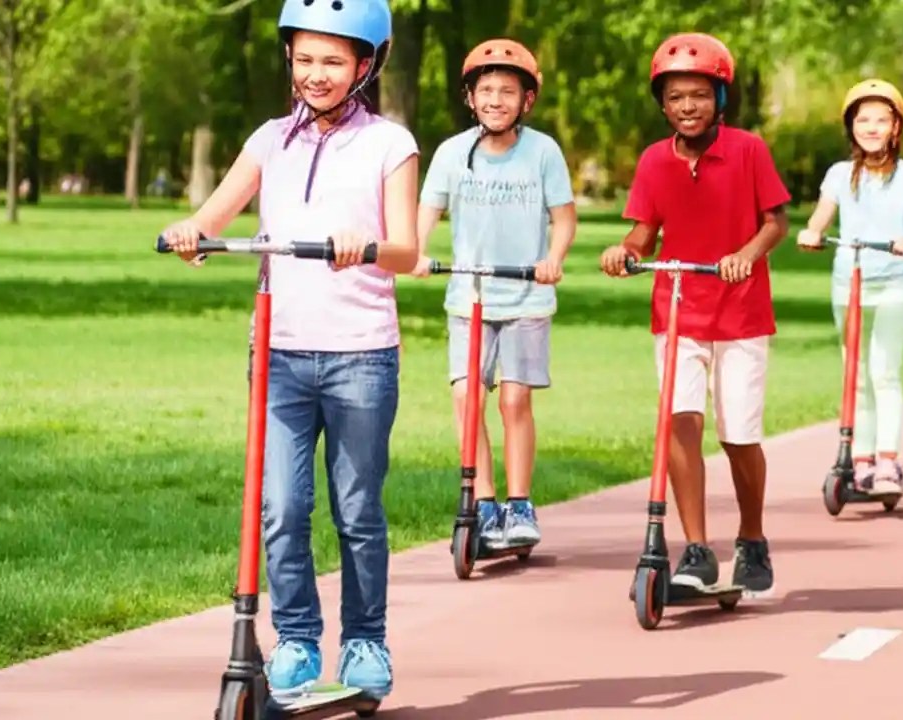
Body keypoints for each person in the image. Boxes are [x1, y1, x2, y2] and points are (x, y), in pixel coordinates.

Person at [158, 0, 418, 703]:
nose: (316, 73)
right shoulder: (271, 138)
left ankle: (365, 640)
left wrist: (365, 247)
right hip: (279, 354)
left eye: (333, 60)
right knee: (279, 506)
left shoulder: (390, 144)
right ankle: (298, 639)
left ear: (366, 64)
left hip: (361, 354)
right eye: (304, 58)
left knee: (358, 507)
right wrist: (192, 231)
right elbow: (216, 213)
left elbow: (406, 248)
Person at [599, 32, 790, 597]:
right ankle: (699, 547)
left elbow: (775, 221)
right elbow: (643, 231)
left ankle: (751, 538)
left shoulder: (749, 149)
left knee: (738, 433)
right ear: (662, 102)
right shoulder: (655, 161)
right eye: (677, 96)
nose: (688, 106)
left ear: (720, 98)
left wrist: (745, 256)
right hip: (678, 309)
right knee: (681, 422)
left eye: (700, 95)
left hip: (741, 311)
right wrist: (625, 253)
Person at [414, 38, 576, 550]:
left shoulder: (543, 151)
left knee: (514, 400)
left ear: (527, 99)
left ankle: (521, 503)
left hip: (526, 298)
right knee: (466, 397)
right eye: (486, 90)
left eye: (508, 91)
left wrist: (554, 258)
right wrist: (417, 250)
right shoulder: (450, 153)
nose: (496, 100)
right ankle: (484, 502)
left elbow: (563, 218)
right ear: (470, 97)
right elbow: (428, 210)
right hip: (469, 295)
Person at [796, 79, 903, 496]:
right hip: (850, 283)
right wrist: (811, 233)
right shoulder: (841, 176)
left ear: (897, 127)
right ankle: (860, 460)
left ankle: (888, 462)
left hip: (895, 283)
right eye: (864, 119)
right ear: (851, 126)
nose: (872, 127)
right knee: (854, 373)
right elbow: (819, 220)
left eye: (882, 119)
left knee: (884, 370)